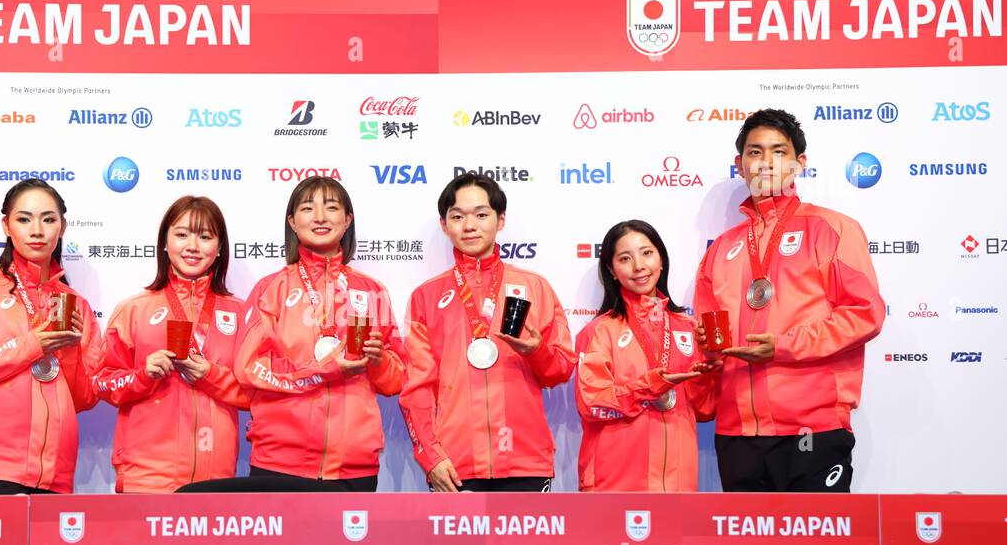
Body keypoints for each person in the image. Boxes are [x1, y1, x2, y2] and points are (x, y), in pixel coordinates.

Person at [694, 108, 885, 492]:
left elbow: (865, 314)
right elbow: (708, 341)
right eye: (755, 152)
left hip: (812, 427)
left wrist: (782, 347)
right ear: (739, 164)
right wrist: (708, 355)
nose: (766, 163)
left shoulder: (833, 229)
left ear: (799, 164)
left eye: (778, 152)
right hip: (737, 432)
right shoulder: (722, 250)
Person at [399, 172, 575, 491]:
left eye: (481, 215)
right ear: (444, 224)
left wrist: (535, 352)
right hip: (454, 464)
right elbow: (417, 388)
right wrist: (431, 456)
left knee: (523, 544)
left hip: (525, 459)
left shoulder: (534, 287)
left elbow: (561, 370)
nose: (470, 226)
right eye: (458, 216)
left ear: (500, 219)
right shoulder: (426, 296)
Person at [234, 175, 404, 490]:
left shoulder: (372, 291)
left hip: (355, 465)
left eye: (331, 207)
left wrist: (378, 360)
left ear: (347, 220)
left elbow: (396, 379)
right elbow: (249, 369)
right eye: (308, 208)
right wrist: (321, 371)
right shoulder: (270, 289)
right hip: (279, 462)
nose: (321, 217)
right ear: (292, 222)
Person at [0, 179, 101, 494]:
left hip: (56, 474)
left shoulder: (75, 303)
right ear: (6, 226)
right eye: (24, 219)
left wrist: (67, 349)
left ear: (62, 227)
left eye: (48, 219)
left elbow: (83, 399)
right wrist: (32, 344)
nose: (37, 230)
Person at [93, 196, 250, 492]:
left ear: (219, 249)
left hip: (216, 474)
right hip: (147, 475)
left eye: (205, 236)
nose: (193, 246)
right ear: (165, 242)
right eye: (182, 234)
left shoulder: (240, 314)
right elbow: (101, 383)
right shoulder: (135, 309)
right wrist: (143, 375)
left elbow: (254, 393)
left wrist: (210, 375)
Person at [575, 221, 718, 491]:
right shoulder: (599, 331)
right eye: (625, 258)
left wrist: (709, 370)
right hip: (615, 486)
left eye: (647, 253)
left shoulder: (688, 327)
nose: (639, 265)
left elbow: (704, 410)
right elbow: (591, 404)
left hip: (678, 485)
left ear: (662, 260)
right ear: (611, 271)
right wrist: (648, 387)